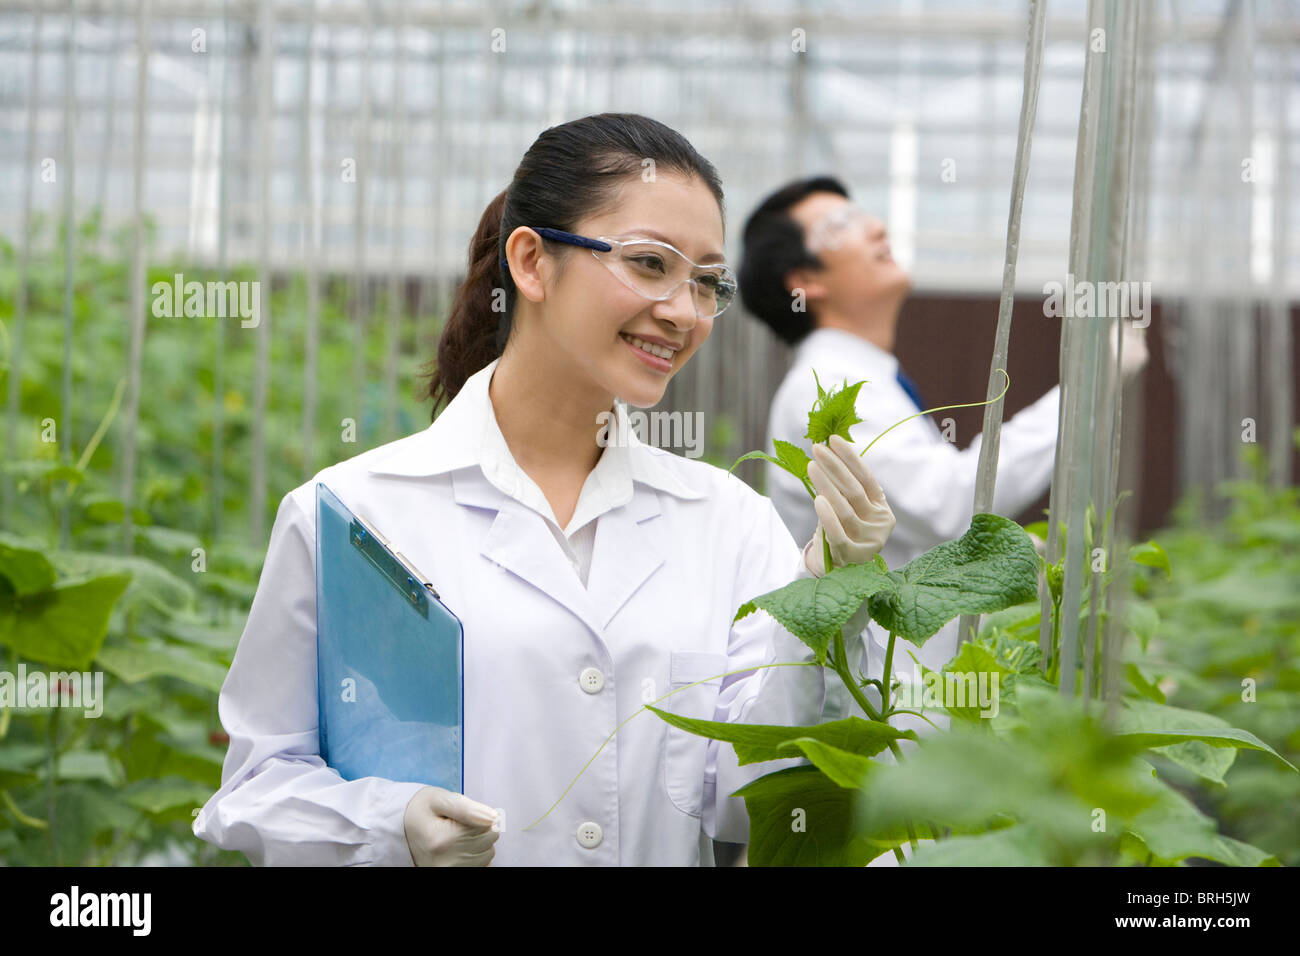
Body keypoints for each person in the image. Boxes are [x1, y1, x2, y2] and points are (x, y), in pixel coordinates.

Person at [192, 115, 896, 867]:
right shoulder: (358, 513)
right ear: (531, 262)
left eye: (705, 281)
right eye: (650, 264)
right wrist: (389, 823)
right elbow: (256, 788)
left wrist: (825, 601)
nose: (685, 312)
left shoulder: (731, 523)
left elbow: (746, 804)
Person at [738, 175, 1148, 680]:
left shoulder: (863, 379)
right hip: (878, 704)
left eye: (864, 213)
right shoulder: (824, 390)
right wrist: (1087, 388)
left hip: (905, 693)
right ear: (806, 282)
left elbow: (915, 523)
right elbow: (950, 502)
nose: (875, 228)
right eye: (841, 224)